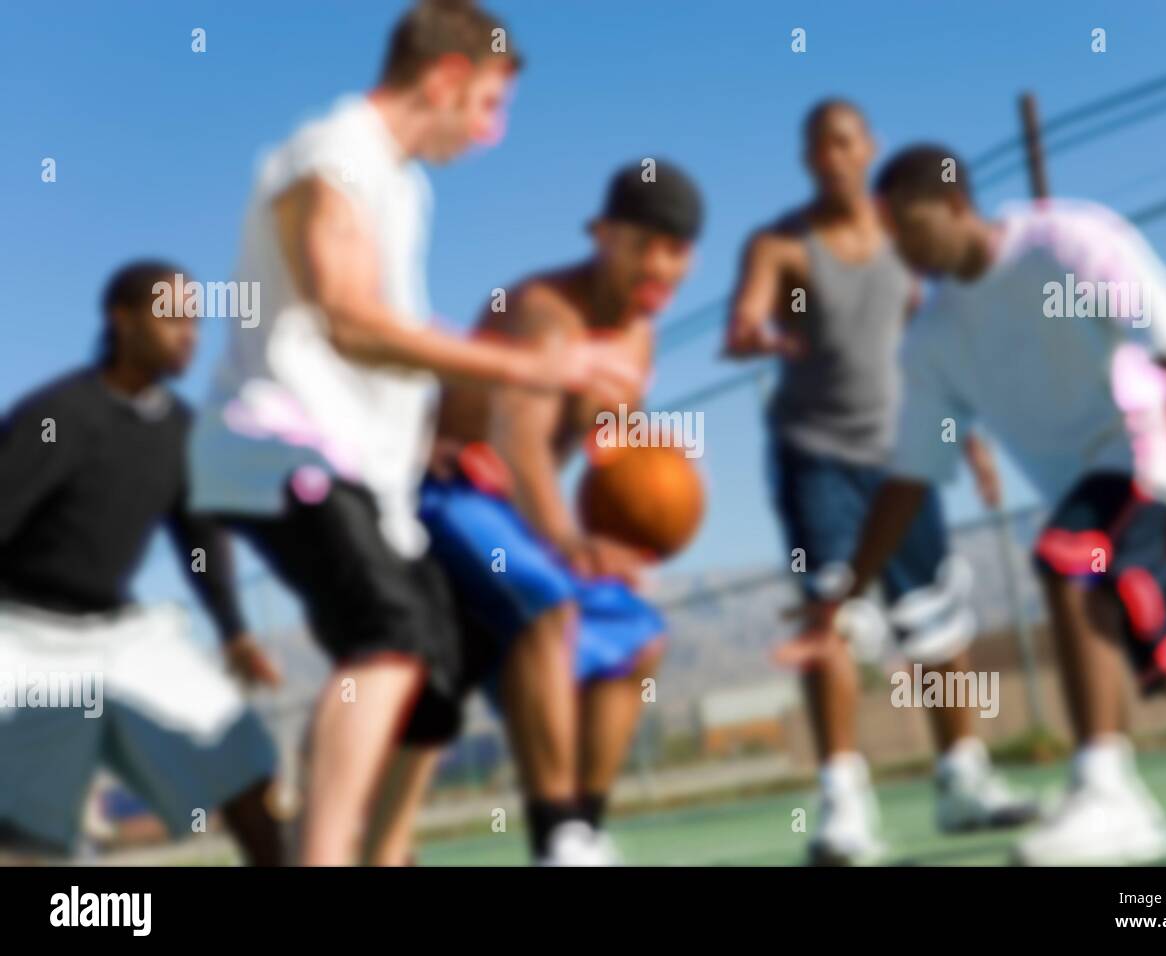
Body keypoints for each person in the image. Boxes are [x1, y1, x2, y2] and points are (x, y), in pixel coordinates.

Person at [188, 0, 636, 865]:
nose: (492, 132)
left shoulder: (401, 184)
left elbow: (392, 342)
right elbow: (348, 319)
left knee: (442, 664)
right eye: (490, 106)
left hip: (363, 470)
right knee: (388, 639)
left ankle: (381, 853)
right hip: (281, 448)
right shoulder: (333, 153)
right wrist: (530, 368)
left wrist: (452, 418)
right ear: (446, 78)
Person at [790, 143, 1166, 865]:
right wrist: (846, 591)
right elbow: (907, 480)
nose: (896, 246)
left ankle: (1111, 796)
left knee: (1068, 556)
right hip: (1094, 489)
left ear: (954, 204)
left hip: (1159, 447)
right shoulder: (934, 337)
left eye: (905, 224)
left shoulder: (1067, 241)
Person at [363, 161, 703, 866]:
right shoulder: (545, 313)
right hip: (449, 494)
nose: (662, 264)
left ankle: (583, 826)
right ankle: (554, 838)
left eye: (678, 249)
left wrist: (621, 540)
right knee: (545, 606)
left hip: (516, 516)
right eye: (646, 243)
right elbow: (519, 441)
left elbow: (612, 455)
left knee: (640, 637)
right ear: (602, 235)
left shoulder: (638, 341)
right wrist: (568, 542)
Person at [725, 102, 1034, 865]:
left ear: (869, 148)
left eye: (842, 141)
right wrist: (769, 333)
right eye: (815, 146)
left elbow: (930, 346)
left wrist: (973, 440)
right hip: (816, 454)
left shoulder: (903, 242)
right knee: (830, 610)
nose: (829, 156)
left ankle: (963, 782)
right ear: (806, 159)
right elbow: (742, 326)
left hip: (905, 452)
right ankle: (843, 807)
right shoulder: (780, 244)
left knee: (937, 622)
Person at [0, 261, 282, 865]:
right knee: (26, 835)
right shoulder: (54, 417)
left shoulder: (183, 431)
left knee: (247, 769)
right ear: (122, 320)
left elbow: (199, 541)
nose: (190, 334)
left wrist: (233, 632)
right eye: (173, 316)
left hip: (121, 632)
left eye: (196, 321)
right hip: (21, 636)